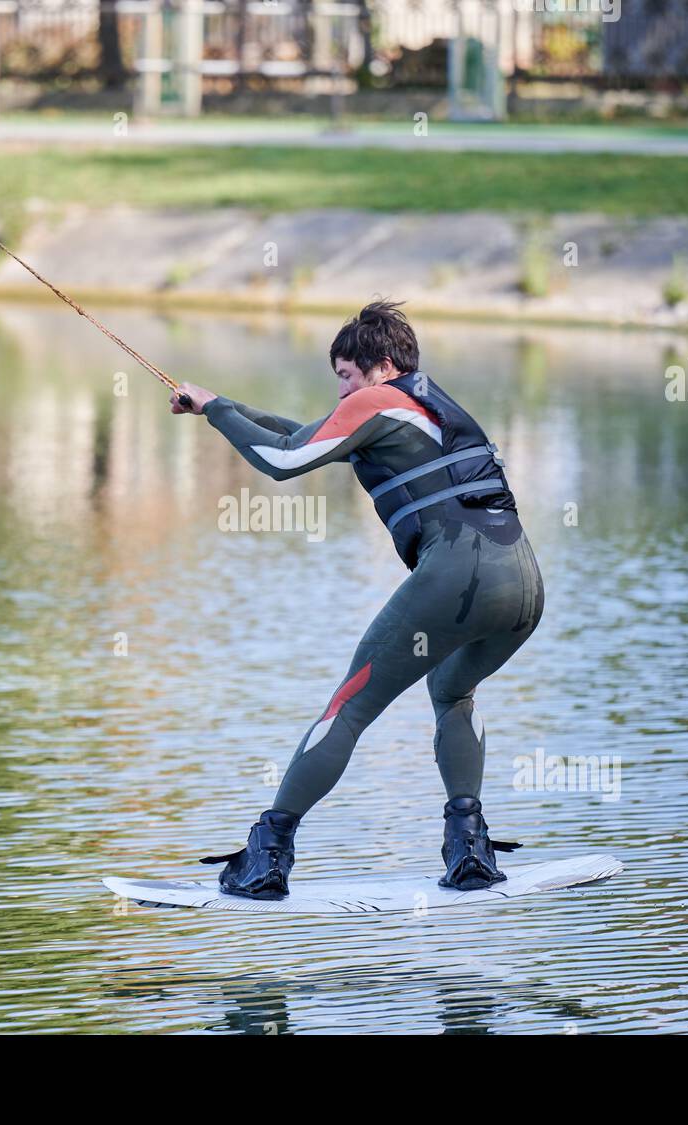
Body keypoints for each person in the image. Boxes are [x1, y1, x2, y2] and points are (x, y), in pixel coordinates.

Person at [170, 302, 544, 899]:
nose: (340, 391)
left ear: (381, 367)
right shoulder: (419, 407)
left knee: (348, 708)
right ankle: (469, 849)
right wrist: (220, 408)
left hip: (457, 577)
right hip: (522, 586)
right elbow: (302, 437)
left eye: (345, 376)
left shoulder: (375, 402)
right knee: (451, 691)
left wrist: (214, 408)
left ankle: (268, 854)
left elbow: (282, 460)